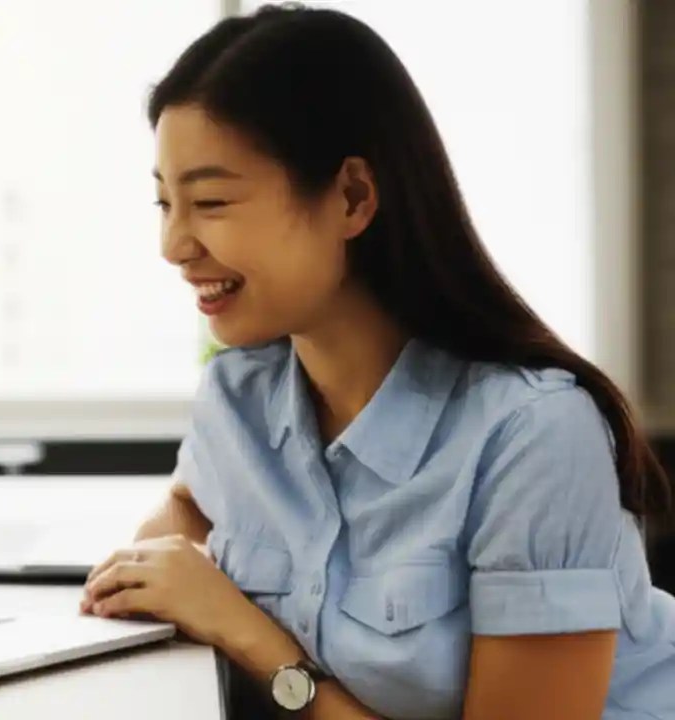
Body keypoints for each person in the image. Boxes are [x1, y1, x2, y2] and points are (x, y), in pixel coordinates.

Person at [79, 4, 675, 719]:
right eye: (163, 203)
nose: (174, 246)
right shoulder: (238, 397)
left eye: (210, 201)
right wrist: (155, 563)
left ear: (352, 197)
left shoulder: (535, 434)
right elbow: (190, 505)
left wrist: (251, 638)